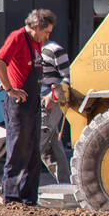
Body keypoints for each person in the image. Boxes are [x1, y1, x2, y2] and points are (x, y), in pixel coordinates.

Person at [0, 9, 55, 207]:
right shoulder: (17, 37)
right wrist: (10, 89)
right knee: (18, 149)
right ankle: (10, 197)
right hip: (18, 105)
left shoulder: (36, 42)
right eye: (46, 32)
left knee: (33, 152)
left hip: (33, 102)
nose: (48, 36)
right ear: (35, 27)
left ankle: (29, 199)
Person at [38, 38, 72, 185]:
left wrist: (52, 96)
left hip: (50, 104)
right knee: (51, 150)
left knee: (34, 145)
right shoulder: (32, 50)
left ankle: (15, 188)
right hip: (35, 104)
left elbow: (68, 77)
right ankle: (68, 187)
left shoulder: (54, 50)